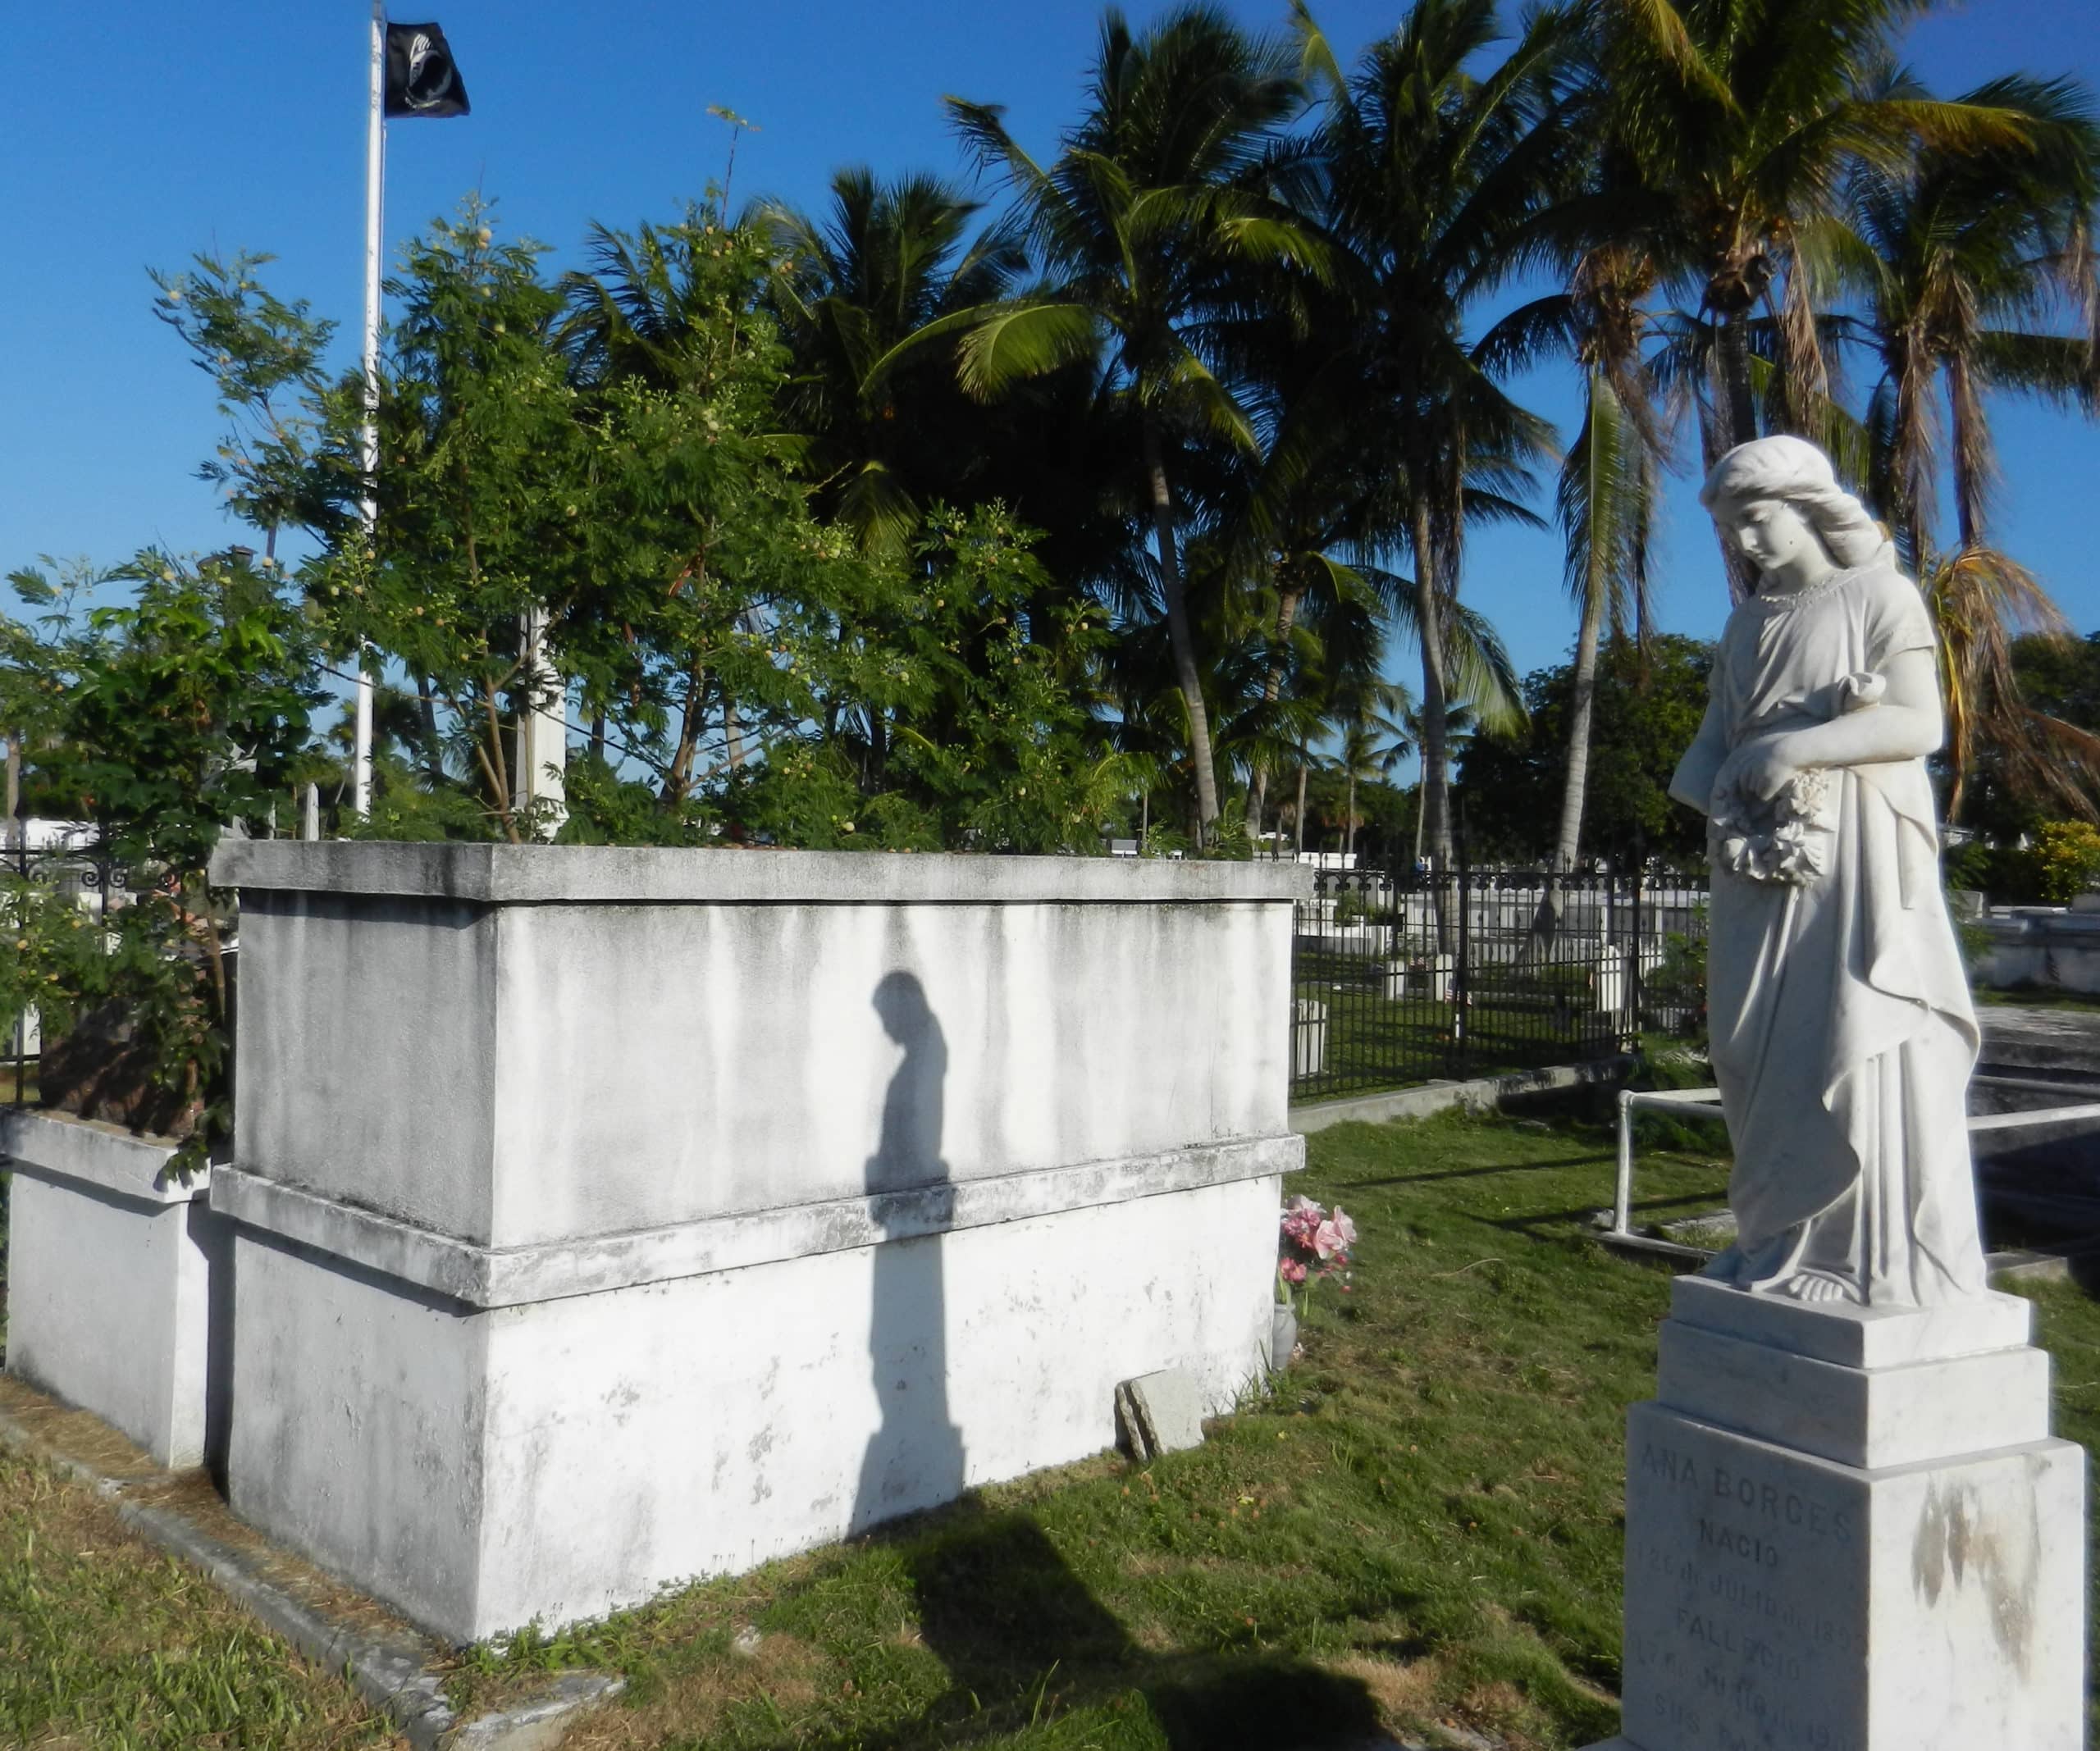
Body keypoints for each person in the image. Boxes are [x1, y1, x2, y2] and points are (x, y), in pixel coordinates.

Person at [1669, 435, 1986, 1306]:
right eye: (1732, 529)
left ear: (1806, 505)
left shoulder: (1878, 595)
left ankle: (1859, 1259)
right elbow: (1712, 747)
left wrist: (1799, 746)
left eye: (1755, 519)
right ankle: (1773, 1239)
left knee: (1843, 1034)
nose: (1745, 543)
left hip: (1852, 861)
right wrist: (1720, 787)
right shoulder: (1745, 624)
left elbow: (1919, 723)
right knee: (1751, 1055)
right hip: (1755, 863)